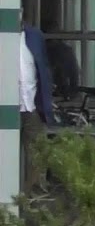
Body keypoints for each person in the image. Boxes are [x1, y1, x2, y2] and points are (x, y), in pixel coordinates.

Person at [18, 12, 55, 193]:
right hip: (8, 108)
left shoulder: (34, 36)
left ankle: (30, 197)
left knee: (38, 153)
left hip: (31, 106)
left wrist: (45, 103)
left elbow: (42, 69)